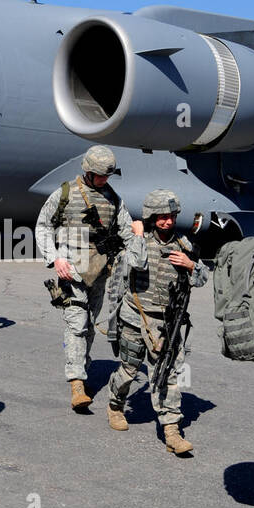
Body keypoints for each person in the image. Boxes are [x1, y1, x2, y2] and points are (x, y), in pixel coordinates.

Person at [104, 189, 208, 454]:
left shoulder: (184, 245)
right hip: (135, 318)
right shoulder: (137, 241)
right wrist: (138, 234)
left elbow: (203, 278)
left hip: (166, 325)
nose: (167, 222)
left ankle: (172, 430)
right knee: (128, 371)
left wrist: (192, 265)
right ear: (151, 217)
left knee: (167, 376)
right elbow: (136, 264)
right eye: (161, 217)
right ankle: (115, 405)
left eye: (171, 216)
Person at [35, 145, 134, 411]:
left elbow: (126, 232)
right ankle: (76, 382)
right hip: (72, 271)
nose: (104, 180)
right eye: (99, 175)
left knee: (89, 326)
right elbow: (43, 225)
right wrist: (55, 258)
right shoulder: (65, 193)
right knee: (77, 325)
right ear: (87, 171)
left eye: (107, 176)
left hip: (100, 273)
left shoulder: (113, 198)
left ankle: (83, 370)